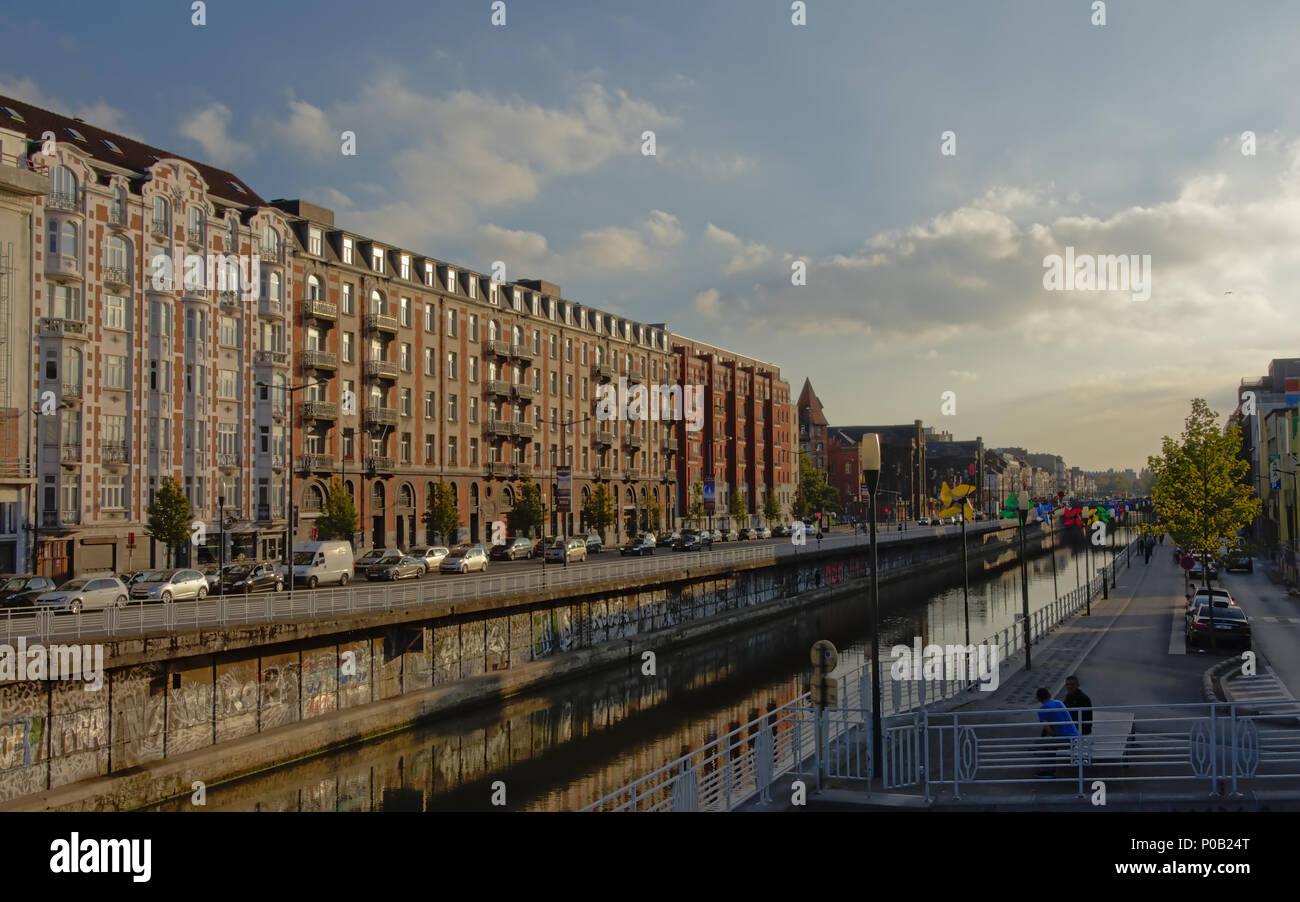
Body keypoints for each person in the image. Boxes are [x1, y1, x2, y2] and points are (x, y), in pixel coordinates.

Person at [1035, 687, 1078, 777]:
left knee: (1044, 743)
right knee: (1049, 741)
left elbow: (1048, 730)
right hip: (1075, 736)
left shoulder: (1042, 709)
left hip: (1066, 740)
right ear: (1049, 695)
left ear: (1038, 698)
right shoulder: (1059, 702)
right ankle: (1050, 767)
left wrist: (1053, 735)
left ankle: (1050, 770)